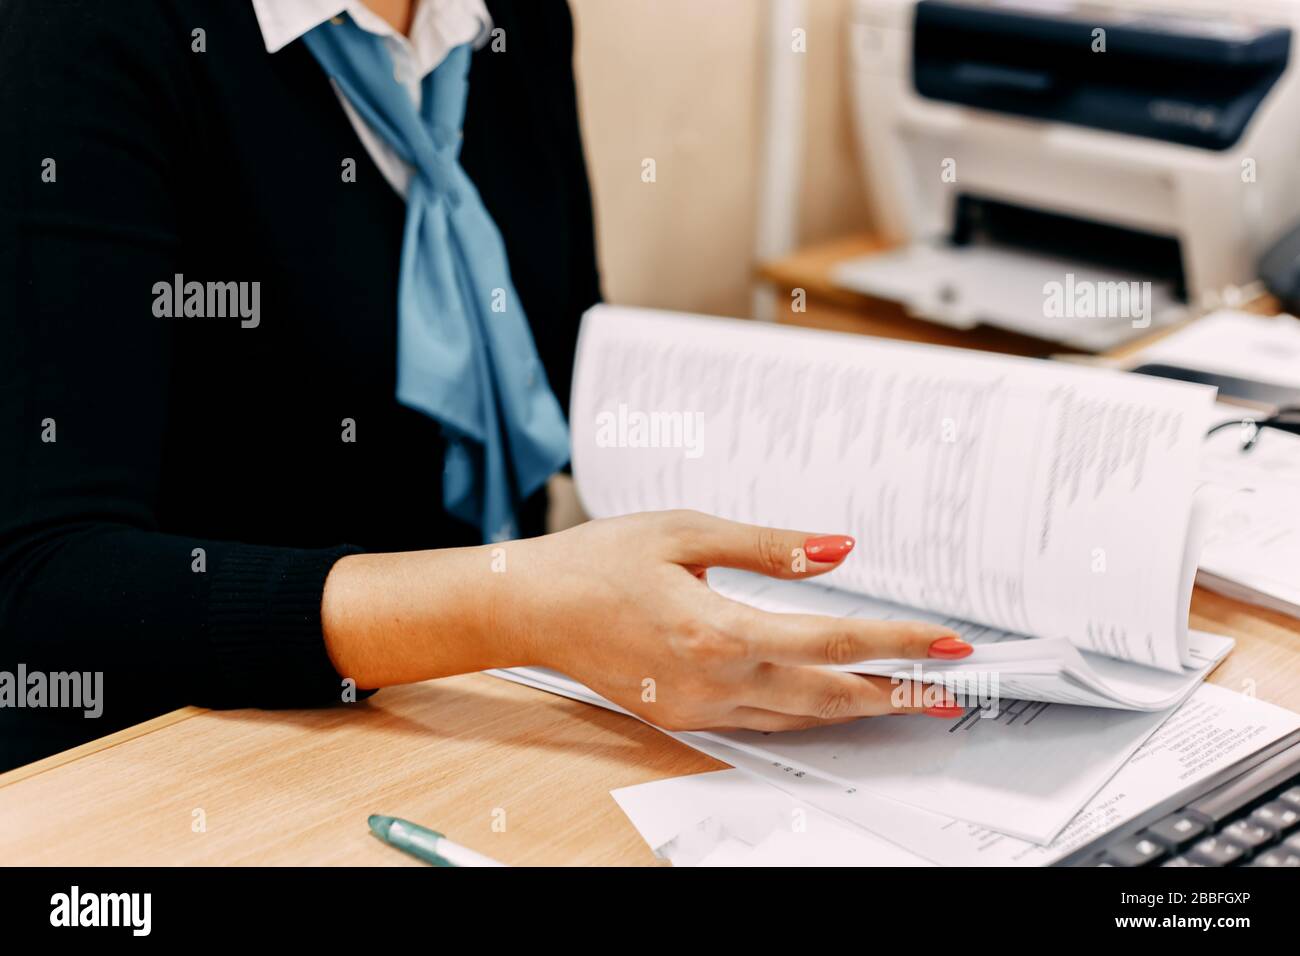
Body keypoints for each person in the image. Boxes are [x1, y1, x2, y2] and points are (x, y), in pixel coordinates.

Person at [0, 0, 970, 772]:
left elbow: (561, 361)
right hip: (192, 746)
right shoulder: (78, 37)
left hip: (463, 707)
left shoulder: (509, 18)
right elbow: (41, 585)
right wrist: (516, 603)